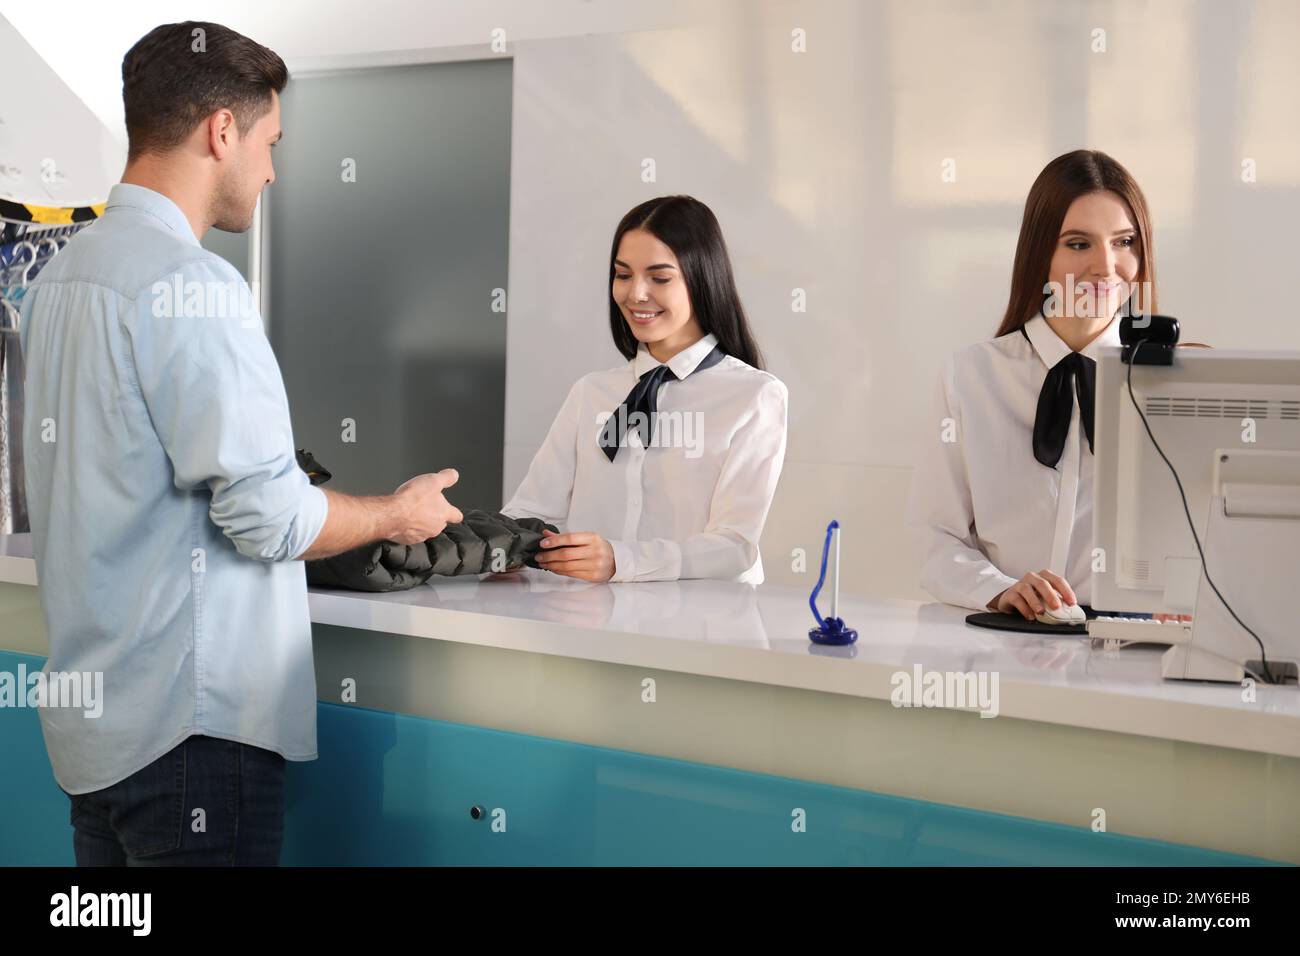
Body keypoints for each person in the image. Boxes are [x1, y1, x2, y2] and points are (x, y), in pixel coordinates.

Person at [20, 21, 461, 865]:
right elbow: (269, 521)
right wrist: (392, 513)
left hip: (92, 742)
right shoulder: (194, 286)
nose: (269, 170)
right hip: (190, 740)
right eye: (269, 142)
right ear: (222, 130)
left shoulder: (60, 281)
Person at [906, 149, 1156, 620]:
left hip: (1134, 655)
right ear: (1042, 253)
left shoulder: (1173, 386)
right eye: (1079, 244)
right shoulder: (971, 377)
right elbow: (934, 536)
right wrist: (1000, 590)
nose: (1105, 267)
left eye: (1124, 242)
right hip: (1002, 648)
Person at [502, 195, 788, 584]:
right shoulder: (592, 392)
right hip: (593, 625)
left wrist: (623, 560)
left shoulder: (753, 396)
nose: (635, 294)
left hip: (707, 627)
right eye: (623, 275)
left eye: (659, 277)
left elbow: (736, 545)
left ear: (701, 279)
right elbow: (530, 512)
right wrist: (479, 545)